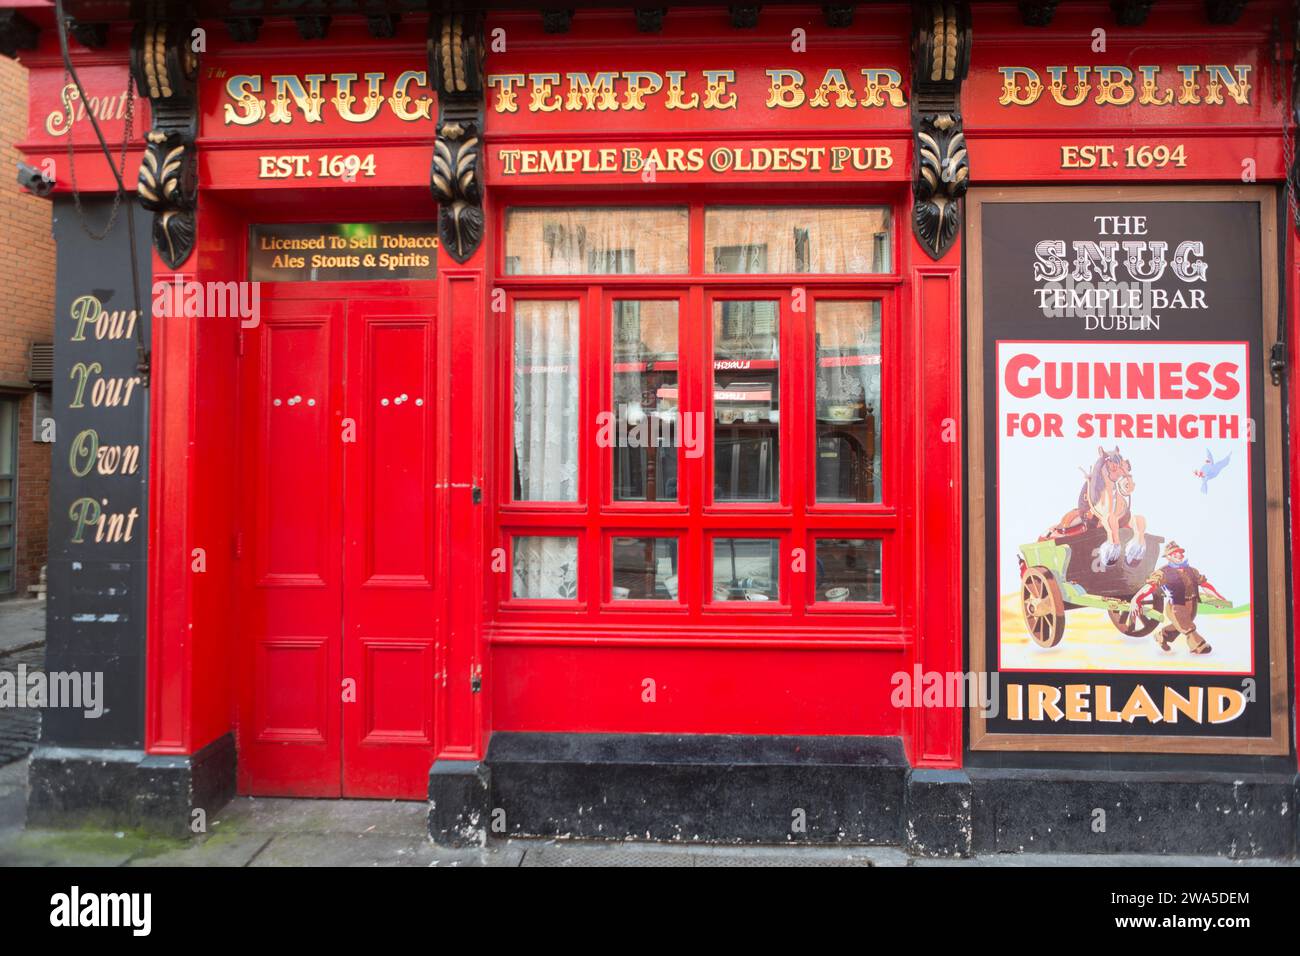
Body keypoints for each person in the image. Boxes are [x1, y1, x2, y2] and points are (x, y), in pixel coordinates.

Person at [1128, 541, 1228, 655]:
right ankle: (1198, 646)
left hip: (1192, 605)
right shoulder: (1163, 573)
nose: (1179, 555)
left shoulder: (1191, 570)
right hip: (1176, 607)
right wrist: (1136, 599)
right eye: (1175, 553)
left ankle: (1163, 635)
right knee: (1188, 628)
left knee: (1181, 625)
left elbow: (1205, 585)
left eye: (1180, 553)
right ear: (1168, 557)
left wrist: (1218, 597)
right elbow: (1150, 586)